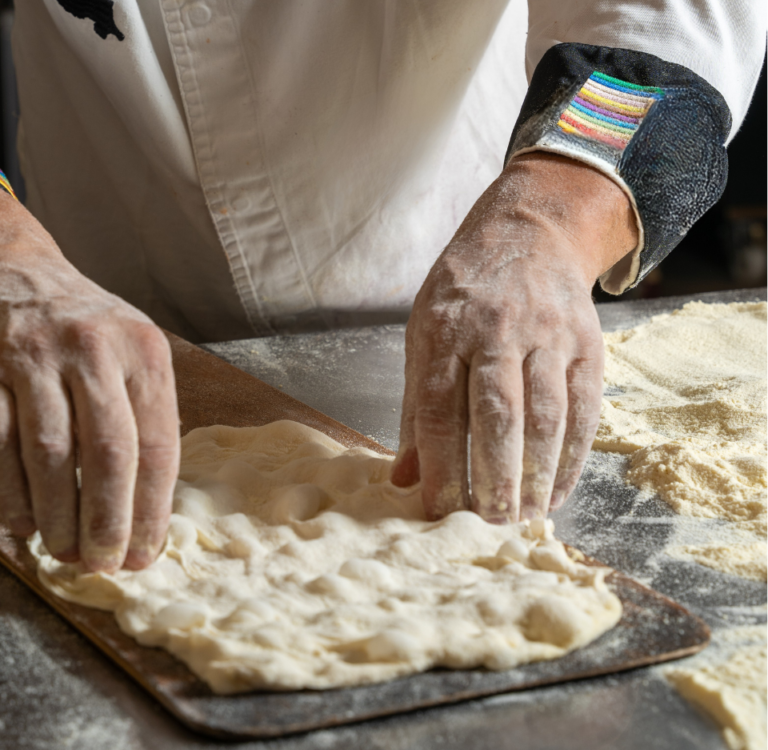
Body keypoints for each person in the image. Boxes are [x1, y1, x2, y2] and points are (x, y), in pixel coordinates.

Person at [0, 0, 764, 573]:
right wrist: (11, 259)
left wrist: (551, 219)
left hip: (460, 279)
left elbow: (665, 17)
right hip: (93, 306)